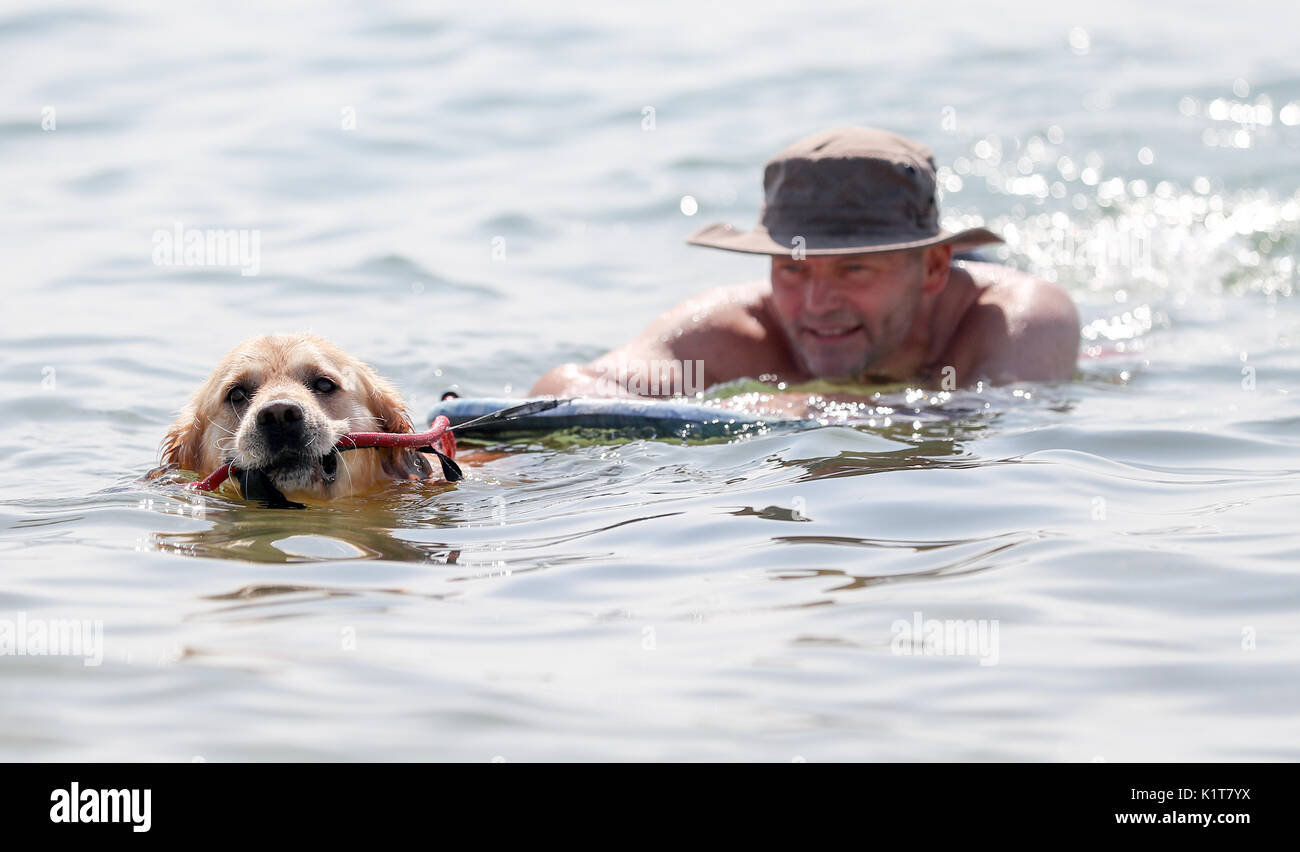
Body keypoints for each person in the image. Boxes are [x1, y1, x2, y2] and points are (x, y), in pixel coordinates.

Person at [531, 127, 1079, 402]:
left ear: (936, 266)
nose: (816, 306)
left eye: (853, 269)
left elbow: (993, 427)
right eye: (793, 269)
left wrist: (797, 411)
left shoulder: (1016, 315)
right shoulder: (736, 329)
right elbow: (570, 389)